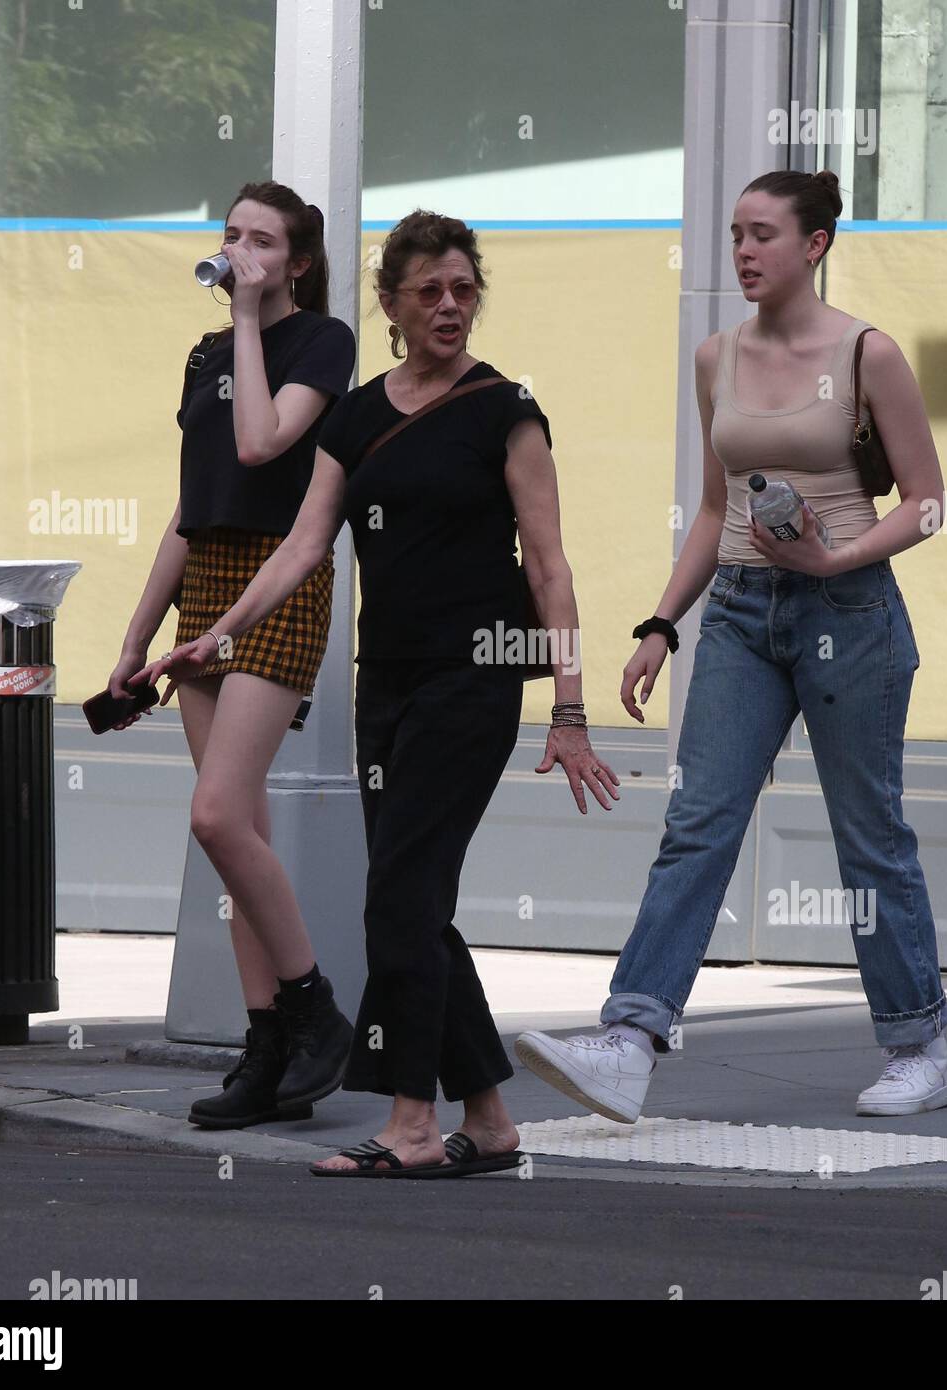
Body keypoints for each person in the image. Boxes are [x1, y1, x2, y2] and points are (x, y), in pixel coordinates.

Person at [132, 209, 619, 1177]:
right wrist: (216, 633)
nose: (450, 305)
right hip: (385, 680)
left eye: (463, 288)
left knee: (395, 897)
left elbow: (552, 568)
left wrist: (569, 706)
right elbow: (305, 546)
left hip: (476, 674)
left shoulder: (503, 409)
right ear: (391, 307)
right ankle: (487, 1119)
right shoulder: (355, 415)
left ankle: (409, 1123)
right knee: (418, 901)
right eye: (428, 292)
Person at [516, 169, 947, 1123]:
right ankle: (630, 1039)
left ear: (815, 245)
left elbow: (925, 500)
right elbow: (719, 508)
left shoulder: (866, 354)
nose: (744, 252)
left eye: (762, 234)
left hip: (850, 618)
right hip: (743, 616)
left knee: (868, 834)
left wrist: (836, 558)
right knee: (698, 821)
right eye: (734, 235)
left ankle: (918, 1044)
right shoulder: (716, 356)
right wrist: (662, 623)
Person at [111, 180, 357, 1130]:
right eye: (230, 236)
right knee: (236, 830)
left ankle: (313, 1006)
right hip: (206, 578)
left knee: (214, 814)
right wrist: (137, 632)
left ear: (296, 262)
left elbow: (260, 445)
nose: (239, 253)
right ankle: (269, 1053)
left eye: (262, 242)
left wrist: (252, 319)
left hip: (278, 578)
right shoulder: (205, 353)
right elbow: (193, 501)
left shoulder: (316, 342)